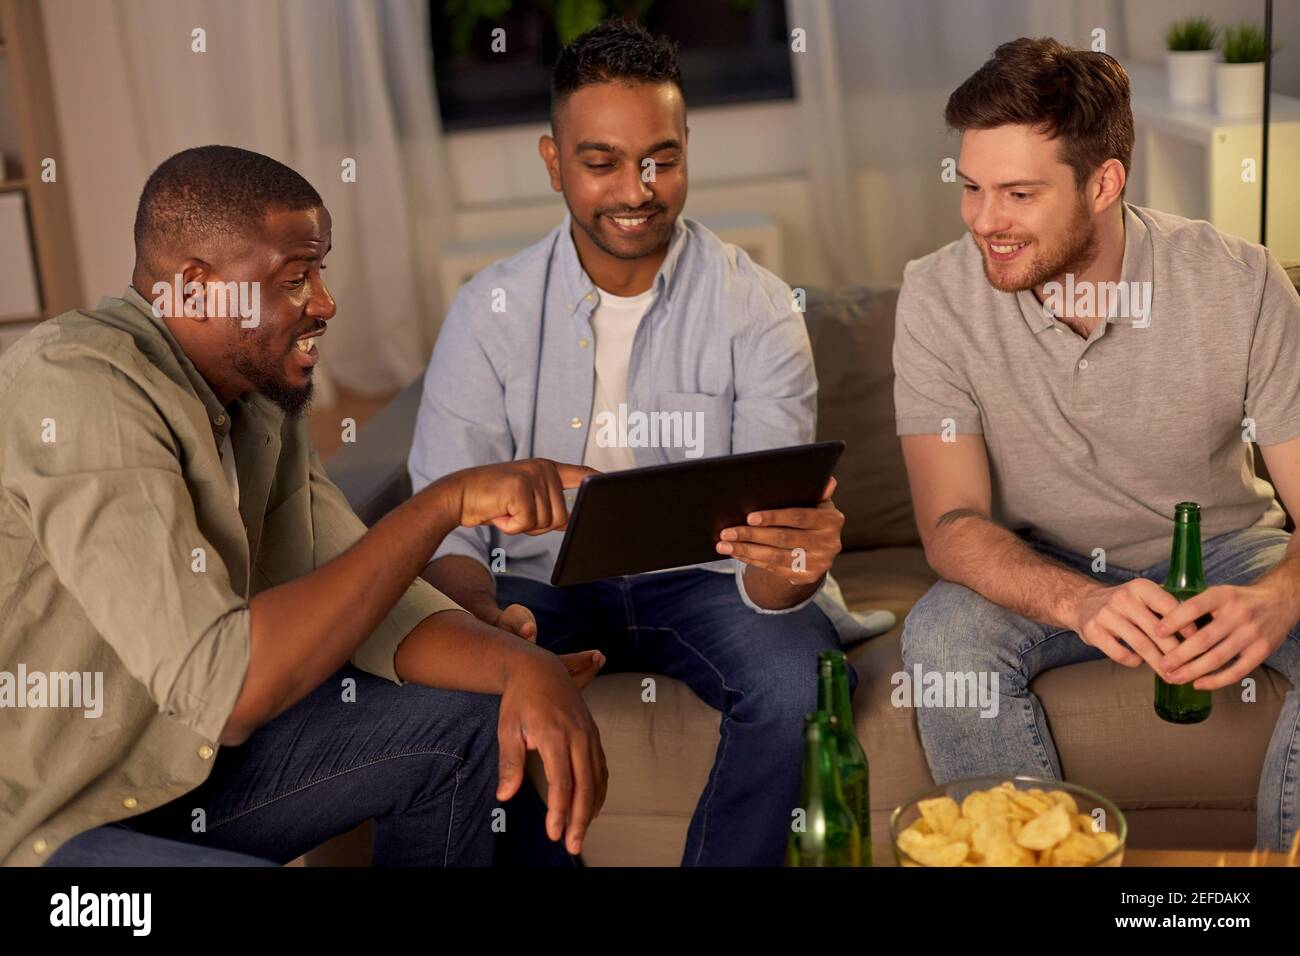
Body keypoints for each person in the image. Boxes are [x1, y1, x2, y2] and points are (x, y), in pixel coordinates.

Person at [0, 145, 607, 867]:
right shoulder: (79, 391)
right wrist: (445, 503)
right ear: (197, 287)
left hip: (186, 777)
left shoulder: (255, 397)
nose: (324, 301)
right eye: (294, 278)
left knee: (470, 725)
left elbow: (364, 592)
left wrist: (518, 666)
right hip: (51, 825)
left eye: (320, 270)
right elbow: (226, 686)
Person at [409, 20, 869, 867]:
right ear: (553, 163)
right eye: (602, 162)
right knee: (463, 694)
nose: (639, 187)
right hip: (539, 583)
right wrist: (485, 627)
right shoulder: (489, 311)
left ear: (688, 146)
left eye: (661, 156)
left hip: (706, 583)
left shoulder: (758, 306)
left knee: (800, 683)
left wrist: (782, 572)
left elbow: (766, 547)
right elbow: (447, 523)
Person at [893, 38, 1300, 851]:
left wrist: (1281, 595)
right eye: (971, 189)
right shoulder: (936, 296)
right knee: (942, 637)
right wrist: (1081, 602)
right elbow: (952, 523)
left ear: (1105, 183)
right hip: (1046, 559)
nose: (984, 221)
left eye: (1016, 194)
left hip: (1226, 552)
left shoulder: (1241, 283)